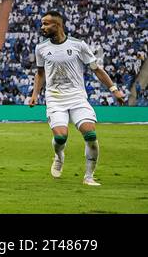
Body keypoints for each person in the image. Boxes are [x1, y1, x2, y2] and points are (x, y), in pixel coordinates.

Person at [26, 10, 126, 186]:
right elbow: (40, 73)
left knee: (90, 135)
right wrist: (35, 94)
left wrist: (114, 89)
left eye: (46, 24)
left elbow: (96, 69)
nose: (42, 27)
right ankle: (59, 156)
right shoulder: (41, 48)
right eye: (42, 23)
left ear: (58, 25)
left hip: (77, 98)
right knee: (60, 138)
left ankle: (89, 177)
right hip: (55, 98)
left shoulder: (79, 45)